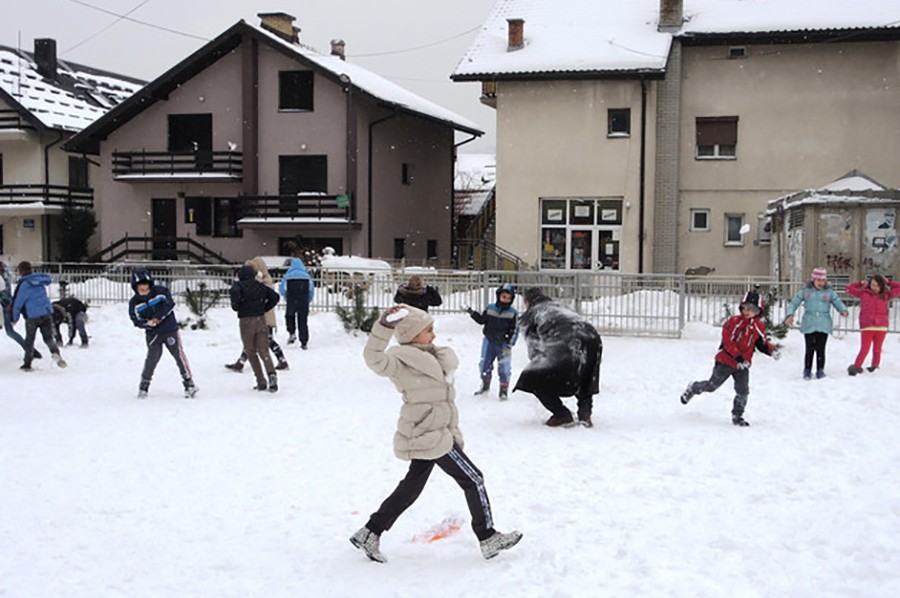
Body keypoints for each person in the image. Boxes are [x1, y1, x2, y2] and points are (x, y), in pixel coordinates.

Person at [350, 304, 522, 563]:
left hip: (437, 429)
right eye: (428, 330)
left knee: (411, 488)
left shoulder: (435, 357)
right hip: (429, 433)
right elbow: (374, 358)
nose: (434, 335)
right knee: (473, 479)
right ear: (412, 333)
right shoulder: (400, 361)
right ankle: (487, 536)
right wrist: (384, 327)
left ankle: (370, 532)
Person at [680, 291, 779, 427]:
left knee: (743, 391)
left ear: (758, 311)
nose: (747, 311)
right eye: (745, 308)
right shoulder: (733, 322)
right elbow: (728, 342)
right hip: (725, 361)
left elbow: (761, 344)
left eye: (752, 309)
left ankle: (737, 415)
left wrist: (771, 351)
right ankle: (693, 388)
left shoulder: (758, 327)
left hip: (743, 366)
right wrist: (738, 357)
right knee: (712, 386)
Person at [513, 288, 603, 427]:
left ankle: (561, 414)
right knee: (585, 373)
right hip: (591, 336)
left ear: (527, 302)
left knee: (533, 378)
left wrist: (538, 365)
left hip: (563, 338)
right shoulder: (560, 306)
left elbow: (533, 344)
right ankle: (585, 414)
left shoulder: (531, 313)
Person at [128, 269, 197, 399]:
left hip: (169, 329)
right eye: (141, 288)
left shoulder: (160, 292)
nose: (144, 290)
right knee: (152, 358)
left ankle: (189, 382)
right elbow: (135, 319)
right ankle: (144, 385)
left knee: (178, 355)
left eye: (146, 287)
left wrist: (158, 317)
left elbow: (169, 304)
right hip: (153, 334)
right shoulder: (134, 303)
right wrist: (147, 323)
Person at [225, 257, 289, 372]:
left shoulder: (263, 281)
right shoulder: (261, 279)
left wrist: (263, 308)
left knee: (266, 340)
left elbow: (269, 296)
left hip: (263, 315)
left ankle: (281, 360)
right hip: (260, 314)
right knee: (253, 340)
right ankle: (241, 362)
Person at [784, 267, 848, 380]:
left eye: (823, 280)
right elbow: (794, 302)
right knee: (809, 348)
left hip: (823, 323)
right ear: (813, 280)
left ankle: (820, 370)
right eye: (818, 280)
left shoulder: (829, 292)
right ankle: (807, 370)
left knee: (821, 348)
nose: (821, 283)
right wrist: (790, 314)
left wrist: (843, 310)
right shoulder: (806, 291)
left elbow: (837, 301)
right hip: (810, 322)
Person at [230, 263, 280, 392]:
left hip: (246, 321)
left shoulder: (238, 287)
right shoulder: (260, 286)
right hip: (261, 320)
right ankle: (272, 375)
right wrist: (264, 308)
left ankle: (261, 381)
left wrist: (241, 305)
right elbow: (275, 297)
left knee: (251, 351)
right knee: (264, 351)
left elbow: (235, 306)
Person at [11, 261, 67, 371]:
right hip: (46, 312)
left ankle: (27, 363)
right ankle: (55, 352)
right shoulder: (39, 281)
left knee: (30, 340)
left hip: (32, 315)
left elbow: (18, 303)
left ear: (21, 271)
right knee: (48, 337)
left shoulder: (24, 285)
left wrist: (14, 318)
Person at [466, 283, 518, 400]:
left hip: (504, 344)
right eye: (503, 297)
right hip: (489, 342)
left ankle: (503, 390)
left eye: (508, 298)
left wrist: (510, 343)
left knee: (504, 367)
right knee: (485, 364)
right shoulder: (490, 309)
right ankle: (485, 385)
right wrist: (471, 312)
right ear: (498, 296)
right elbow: (481, 320)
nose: (506, 300)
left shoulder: (512, 313)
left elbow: (515, 329)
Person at [845, 274, 900, 375]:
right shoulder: (864, 293)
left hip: (881, 326)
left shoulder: (886, 295)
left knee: (877, 349)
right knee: (864, 349)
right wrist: (860, 283)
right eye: (873, 285)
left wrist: (889, 282)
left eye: (878, 285)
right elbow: (849, 288)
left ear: (882, 286)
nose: (875, 288)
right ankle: (857, 366)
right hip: (867, 326)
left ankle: (875, 365)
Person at [0, 260, 42, 360]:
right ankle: (29, 349)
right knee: (10, 331)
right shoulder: (5, 276)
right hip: (7, 306)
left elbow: (4, 295)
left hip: (4, 306)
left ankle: (29, 349)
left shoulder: (2, 279)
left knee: (10, 331)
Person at [278, 257, 314, 349]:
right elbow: (311, 290)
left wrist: (286, 296)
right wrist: (308, 299)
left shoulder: (288, 276)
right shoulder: (307, 276)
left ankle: (291, 332)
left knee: (290, 316)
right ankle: (304, 341)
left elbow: (282, 289)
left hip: (292, 299)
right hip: (303, 300)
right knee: (303, 321)